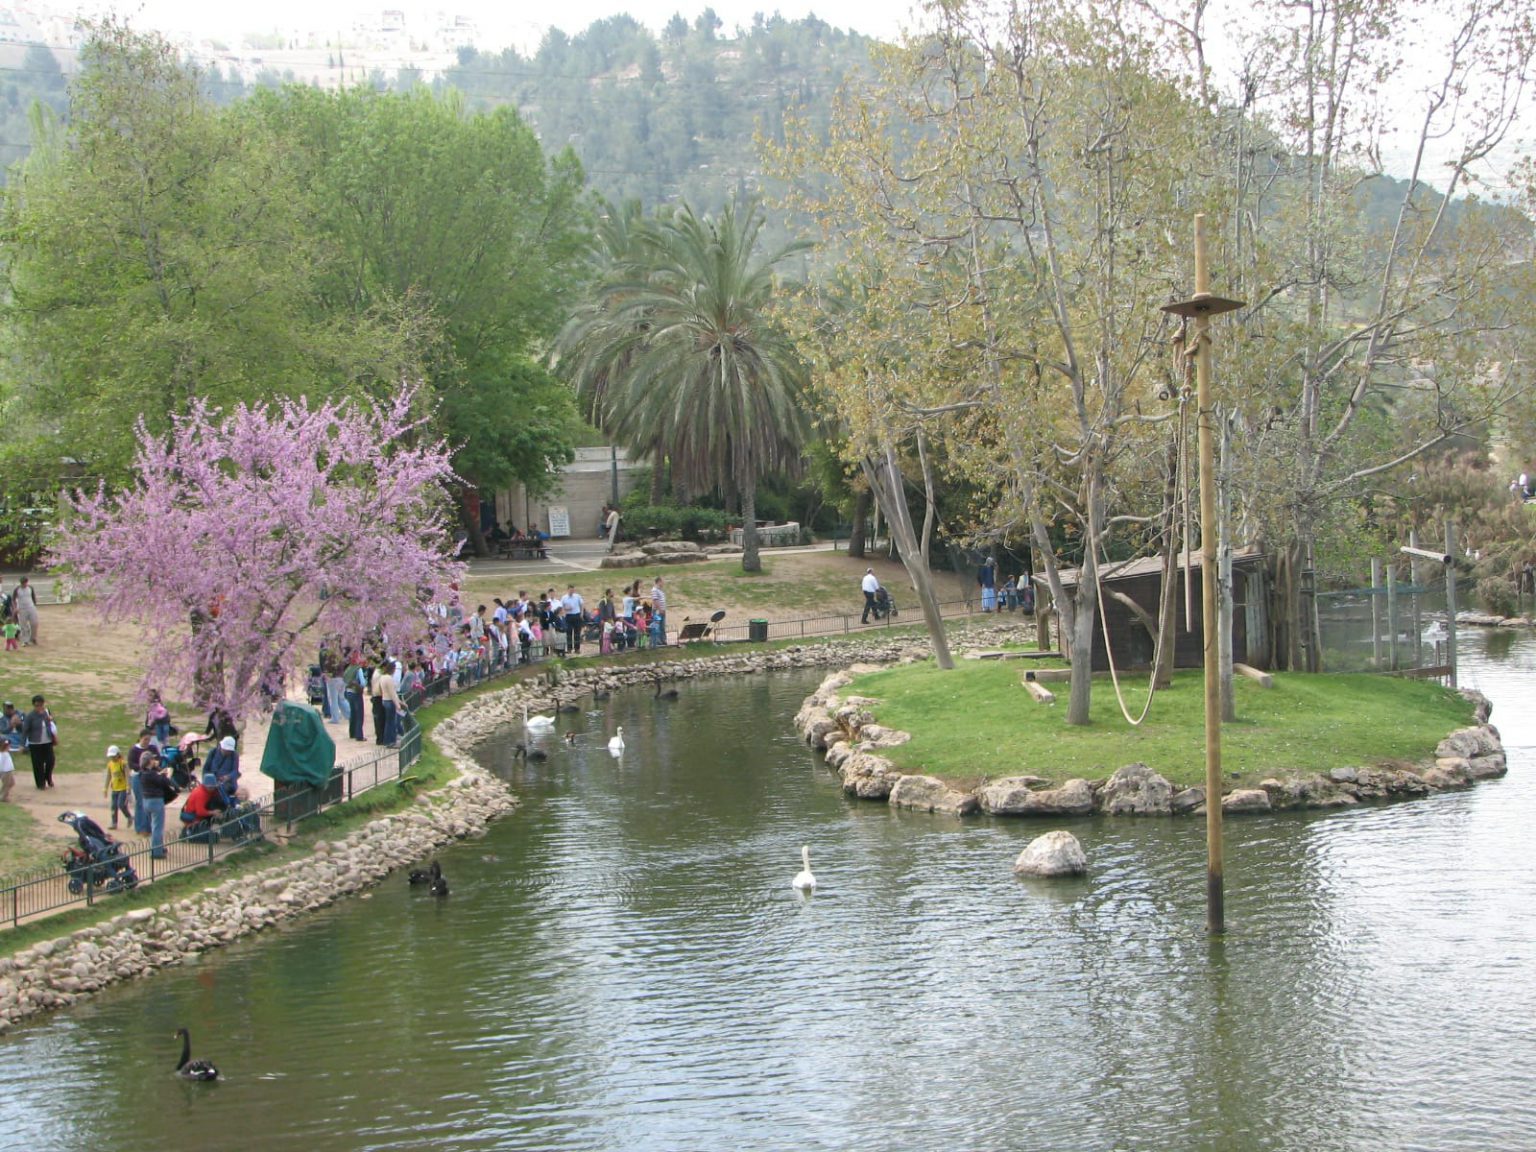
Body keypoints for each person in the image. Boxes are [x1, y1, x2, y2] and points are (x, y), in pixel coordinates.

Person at [137, 752, 177, 858]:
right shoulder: (152, 774)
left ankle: (158, 847)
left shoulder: (142, 773)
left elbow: (156, 777)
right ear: (150, 761)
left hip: (146, 802)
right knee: (157, 828)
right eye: (153, 759)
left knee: (154, 826)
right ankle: (156, 853)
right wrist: (168, 774)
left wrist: (159, 771)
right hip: (156, 802)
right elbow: (164, 782)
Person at [21, 694, 57, 790]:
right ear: (34, 705)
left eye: (41, 705)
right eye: (37, 705)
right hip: (35, 743)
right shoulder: (30, 716)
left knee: (51, 761)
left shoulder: (46, 713)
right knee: (38, 764)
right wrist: (22, 744)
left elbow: (52, 725)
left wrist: (51, 720)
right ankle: (40, 783)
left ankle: (47, 777)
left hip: (47, 741)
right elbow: (25, 731)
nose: (39, 707)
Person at [180, 772, 229, 841]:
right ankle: (189, 831)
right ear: (204, 785)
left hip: (198, 812)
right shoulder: (200, 793)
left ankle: (214, 831)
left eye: (213, 786)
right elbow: (200, 812)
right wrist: (213, 812)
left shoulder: (211, 791)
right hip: (191, 815)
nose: (212, 788)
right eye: (210, 787)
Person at [127, 728, 154, 836]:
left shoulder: (152, 748)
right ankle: (140, 827)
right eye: (145, 739)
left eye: (149, 739)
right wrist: (143, 767)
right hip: (138, 776)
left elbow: (158, 758)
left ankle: (148, 827)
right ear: (140, 738)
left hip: (149, 776)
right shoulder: (134, 750)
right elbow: (131, 764)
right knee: (140, 801)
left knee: (148, 801)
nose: (147, 742)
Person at [104, 745, 131, 829]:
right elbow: (108, 776)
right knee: (113, 806)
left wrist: (128, 786)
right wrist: (105, 788)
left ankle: (129, 817)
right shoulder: (110, 764)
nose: (112, 758)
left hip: (123, 788)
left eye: (114, 756)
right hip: (115, 788)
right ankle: (114, 823)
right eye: (111, 756)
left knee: (121, 805)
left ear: (118, 754)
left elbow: (127, 775)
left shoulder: (123, 763)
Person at [12, 576, 38, 646]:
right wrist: (15, 608)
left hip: (31, 607)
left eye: (25, 583)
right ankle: (25, 640)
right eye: (23, 583)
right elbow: (13, 599)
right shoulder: (17, 589)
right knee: (23, 625)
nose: (24, 584)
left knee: (34, 623)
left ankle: (33, 638)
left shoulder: (30, 588)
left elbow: (33, 597)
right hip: (21, 608)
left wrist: (35, 605)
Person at [561, 585, 586, 655]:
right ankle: (569, 648)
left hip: (576, 615)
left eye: (573, 590)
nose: (572, 591)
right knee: (569, 633)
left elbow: (581, 604)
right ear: (568, 590)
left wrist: (582, 613)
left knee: (577, 633)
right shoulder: (564, 598)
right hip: (568, 616)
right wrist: (566, 609)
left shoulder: (577, 596)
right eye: (571, 590)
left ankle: (577, 648)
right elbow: (561, 607)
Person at [649, 575, 668, 646]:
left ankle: (663, 640)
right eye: (662, 582)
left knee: (662, 626)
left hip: (662, 610)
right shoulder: (654, 590)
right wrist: (660, 609)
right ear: (659, 582)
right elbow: (655, 600)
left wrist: (663, 609)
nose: (663, 583)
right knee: (657, 626)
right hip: (657, 611)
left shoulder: (660, 590)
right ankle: (657, 641)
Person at [0, 739, 13, 803]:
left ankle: (4, 795)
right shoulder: (2, 754)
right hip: (5, 772)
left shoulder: (6, 753)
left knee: (11, 783)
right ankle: (3, 797)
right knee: (6, 784)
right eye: (7, 746)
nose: (9, 747)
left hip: (9, 771)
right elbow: (1, 763)